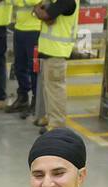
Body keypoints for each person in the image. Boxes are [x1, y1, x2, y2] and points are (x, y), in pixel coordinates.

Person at [32, 1, 80, 131]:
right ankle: (50, 117)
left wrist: (37, 9)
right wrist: (41, 11)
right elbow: (47, 17)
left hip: (57, 51)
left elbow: (46, 16)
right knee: (49, 88)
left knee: (56, 89)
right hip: (49, 50)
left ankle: (57, 124)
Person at [7, 0, 42, 116]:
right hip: (19, 29)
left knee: (34, 68)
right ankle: (23, 98)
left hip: (35, 29)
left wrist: (20, 2)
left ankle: (36, 101)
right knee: (19, 67)